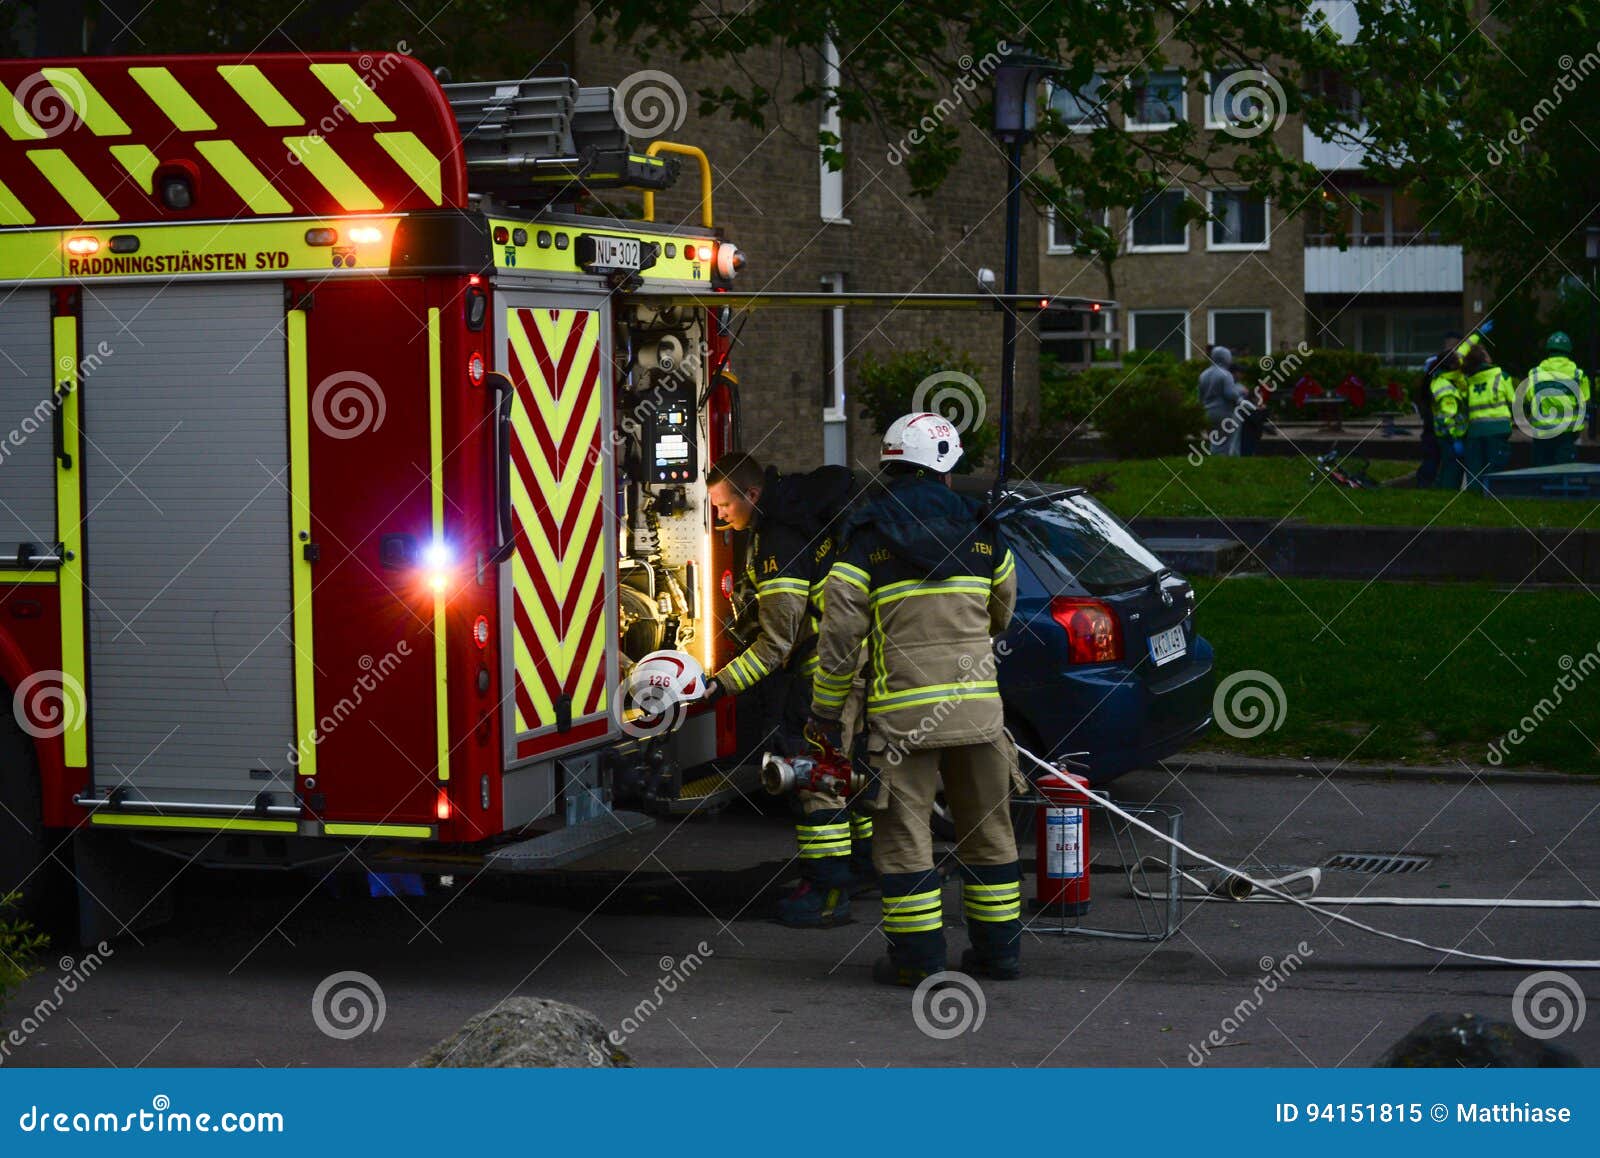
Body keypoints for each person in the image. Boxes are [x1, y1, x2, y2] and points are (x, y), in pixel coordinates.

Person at [809, 413, 1022, 986]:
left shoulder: (865, 539)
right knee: (990, 834)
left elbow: (838, 642)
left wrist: (826, 715)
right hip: (979, 717)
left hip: (903, 724)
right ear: (946, 471)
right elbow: (1001, 613)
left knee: (905, 842)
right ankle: (1000, 957)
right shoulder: (986, 534)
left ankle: (917, 963)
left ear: (890, 467)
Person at [704, 451, 866, 928]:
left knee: (816, 779)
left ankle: (827, 893)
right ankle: (860, 870)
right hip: (852, 665)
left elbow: (776, 645)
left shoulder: (777, 539)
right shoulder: (791, 514)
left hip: (822, 678)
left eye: (723, 506)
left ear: (751, 495)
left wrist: (720, 686)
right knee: (847, 771)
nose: (718, 515)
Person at [1522, 331, 1592, 466]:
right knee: (1565, 473)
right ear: (1568, 350)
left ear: (1548, 350)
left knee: (1542, 473)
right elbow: (1585, 403)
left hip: (1542, 433)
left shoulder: (1535, 374)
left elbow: (1528, 400)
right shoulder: (1578, 375)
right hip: (1568, 433)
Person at [1457, 328, 1513, 492]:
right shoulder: (1501, 375)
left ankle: (1474, 498)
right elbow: (1514, 401)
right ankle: (1493, 498)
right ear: (1485, 358)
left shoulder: (1467, 380)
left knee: (1475, 470)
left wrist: (1476, 335)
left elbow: (1457, 356)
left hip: (1474, 432)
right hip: (1498, 430)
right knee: (1495, 470)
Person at [1428, 337, 1469, 491]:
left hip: (1444, 435)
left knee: (1447, 466)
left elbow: (1461, 352)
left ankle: (1442, 491)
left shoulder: (1440, 379)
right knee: (1453, 468)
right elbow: (1447, 416)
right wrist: (1455, 438)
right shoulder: (1447, 388)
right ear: (1452, 366)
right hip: (1451, 435)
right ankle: (1448, 493)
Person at [1198, 345, 1248, 456]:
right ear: (1226, 358)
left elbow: (1200, 396)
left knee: (1214, 440)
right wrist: (1240, 396)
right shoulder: (1226, 374)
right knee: (1224, 441)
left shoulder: (1203, 375)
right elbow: (1230, 394)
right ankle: (1221, 461)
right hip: (1223, 412)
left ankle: (1213, 459)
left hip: (1207, 412)